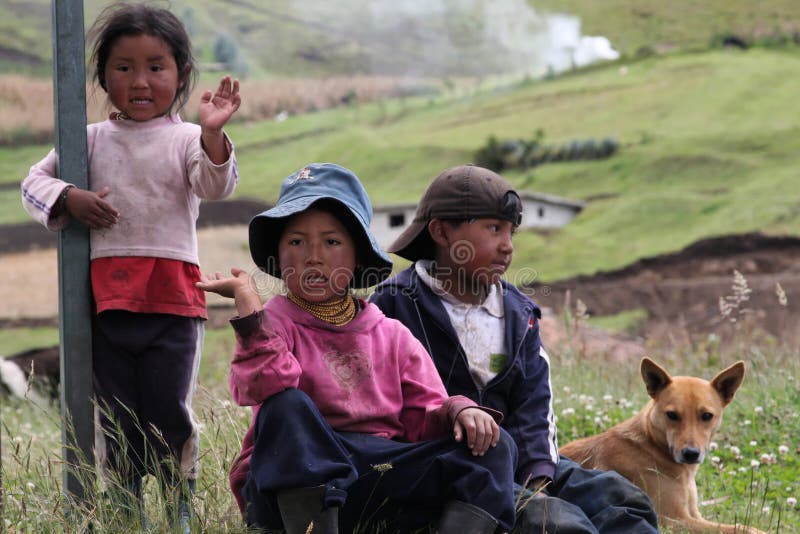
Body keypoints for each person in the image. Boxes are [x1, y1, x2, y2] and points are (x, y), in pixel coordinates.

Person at [197, 162, 517, 534]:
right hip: (294, 487)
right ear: (278, 255)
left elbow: (424, 418)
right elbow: (261, 387)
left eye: (331, 242)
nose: (313, 256)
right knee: (286, 405)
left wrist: (460, 410)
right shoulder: (274, 322)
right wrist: (250, 311)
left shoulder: (391, 334)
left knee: (494, 444)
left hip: (380, 477)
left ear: (358, 256)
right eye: (296, 242)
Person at [20, 3, 241, 530]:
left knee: (169, 413)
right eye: (123, 68)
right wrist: (68, 196)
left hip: (173, 305)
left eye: (156, 67)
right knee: (116, 421)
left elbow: (215, 184)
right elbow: (32, 183)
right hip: (106, 307)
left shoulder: (187, 139)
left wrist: (212, 134)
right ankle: (126, 513)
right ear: (102, 76)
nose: (140, 81)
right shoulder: (89, 140)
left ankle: (179, 509)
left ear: (182, 74)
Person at [370, 164, 659, 533]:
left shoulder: (519, 314)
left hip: (522, 467)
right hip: (452, 470)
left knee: (622, 498)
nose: (508, 246)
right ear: (441, 231)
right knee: (558, 523)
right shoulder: (394, 306)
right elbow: (384, 407)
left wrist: (538, 478)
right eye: (493, 229)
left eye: (511, 232)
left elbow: (534, 405)